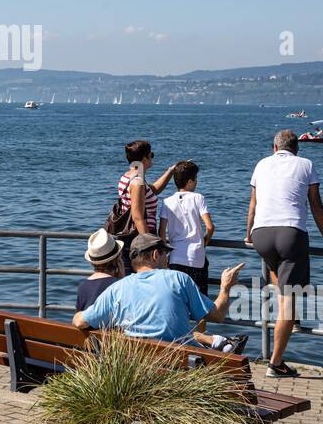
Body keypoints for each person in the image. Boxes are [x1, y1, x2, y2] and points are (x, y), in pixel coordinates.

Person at [245, 129, 323, 378]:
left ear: (274, 147)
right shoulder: (306, 165)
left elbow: (253, 205)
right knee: (290, 300)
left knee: (279, 274)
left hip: (261, 235)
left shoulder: (261, 164)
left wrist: (248, 235)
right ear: (296, 149)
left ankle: (285, 318)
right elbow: (316, 205)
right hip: (291, 233)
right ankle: (276, 363)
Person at [73, 234, 248, 355]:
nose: (168, 259)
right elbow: (217, 315)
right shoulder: (179, 279)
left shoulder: (118, 288)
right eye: (166, 254)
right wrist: (225, 287)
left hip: (138, 366)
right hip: (181, 367)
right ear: (156, 255)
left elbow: (80, 321)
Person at [157, 160, 215, 298]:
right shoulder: (198, 198)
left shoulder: (167, 201)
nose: (196, 182)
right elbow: (210, 226)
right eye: (195, 179)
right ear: (189, 182)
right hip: (196, 257)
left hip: (175, 257)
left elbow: (161, 232)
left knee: (179, 299)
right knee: (200, 301)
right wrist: (204, 242)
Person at [116, 141, 177, 269]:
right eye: (151, 155)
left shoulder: (127, 177)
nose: (152, 157)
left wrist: (170, 171)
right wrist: (150, 246)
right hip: (139, 238)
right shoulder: (138, 182)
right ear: (144, 159)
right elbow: (138, 217)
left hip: (130, 235)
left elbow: (153, 189)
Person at [75, 229, 124, 311]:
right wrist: (122, 279)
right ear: (117, 259)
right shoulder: (118, 285)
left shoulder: (83, 286)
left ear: (92, 262)